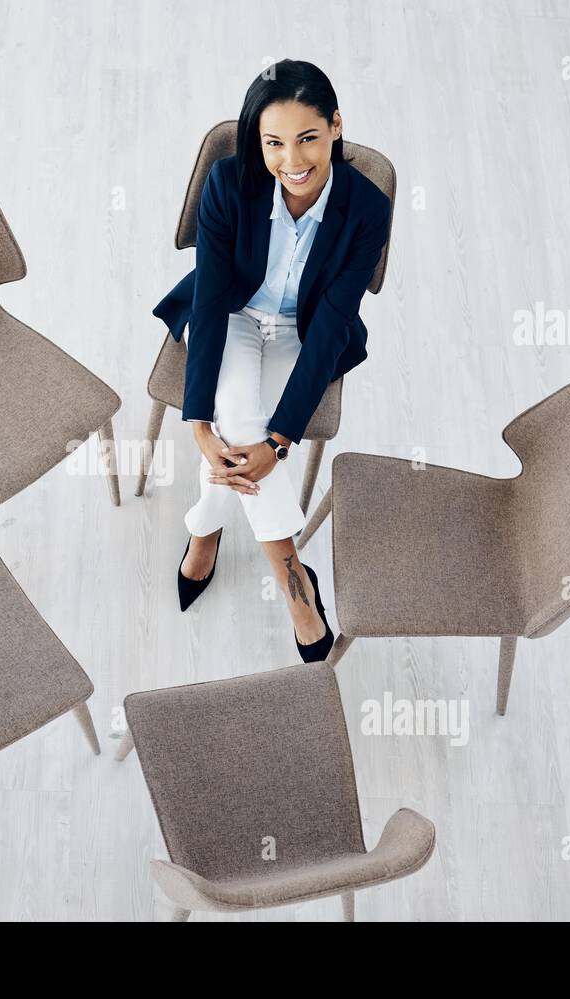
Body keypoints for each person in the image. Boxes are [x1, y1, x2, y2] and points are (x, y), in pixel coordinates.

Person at [152, 59, 391, 662]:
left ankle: (204, 529)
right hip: (233, 314)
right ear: (257, 141)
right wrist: (199, 425)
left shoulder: (365, 207)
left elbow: (334, 324)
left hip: (302, 330)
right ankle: (298, 593)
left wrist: (280, 442)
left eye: (308, 137)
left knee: (256, 437)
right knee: (236, 425)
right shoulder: (229, 182)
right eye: (274, 143)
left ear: (336, 126)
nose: (292, 160)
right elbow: (208, 302)